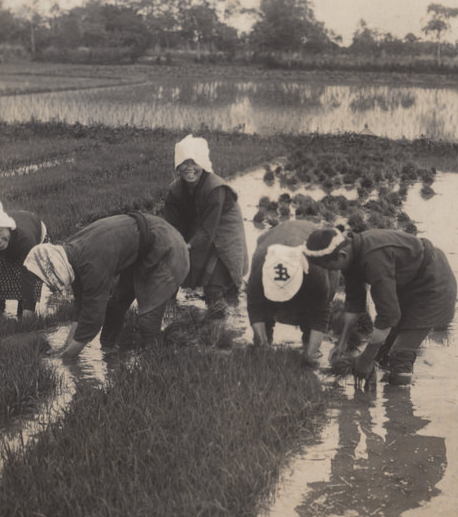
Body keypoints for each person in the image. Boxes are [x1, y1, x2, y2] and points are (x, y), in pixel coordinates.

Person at [303, 227, 457, 389]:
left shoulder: (374, 259)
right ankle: (382, 393)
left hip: (435, 283)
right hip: (408, 282)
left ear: (342, 255)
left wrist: (366, 359)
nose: (334, 272)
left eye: (333, 267)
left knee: (400, 355)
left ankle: (399, 406)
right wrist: (342, 342)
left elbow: (388, 316)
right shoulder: (351, 254)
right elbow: (355, 304)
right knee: (383, 352)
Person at [24, 212, 190, 360]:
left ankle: (155, 365)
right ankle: (108, 350)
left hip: (166, 246)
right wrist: (65, 345)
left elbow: (92, 319)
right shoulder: (70, 254)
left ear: (56, 270)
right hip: (140, 248)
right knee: (116, 305)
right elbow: (81, 305)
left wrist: (66, 357)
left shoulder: (92, 265)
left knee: (148, 320)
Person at [163, 134, 247, 318]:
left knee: (216, 286)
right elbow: (172, 223)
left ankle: (221, 322)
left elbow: (209, 229)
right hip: (198, 228)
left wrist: (186, 246)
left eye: (194, 163)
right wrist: (174, 243)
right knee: (173, 268)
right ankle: (169, 313)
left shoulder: (215, 189)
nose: (189, 169)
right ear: (178, 166)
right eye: (184, 163)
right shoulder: (175, 190)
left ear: (203, 164)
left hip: (224, 231)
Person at [245, 220, 340, 365]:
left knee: (311, 322)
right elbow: (254, 307)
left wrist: (309, 356)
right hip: (276, 236)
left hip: (309, 242)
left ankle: (308, 340)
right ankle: (266, 338)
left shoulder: (316, 270)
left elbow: (321, 315)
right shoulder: (260, 269)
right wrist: (262, 343)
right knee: (264, 323)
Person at [0, 197, 48, 319]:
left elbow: (29, 277)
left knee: (24, 311)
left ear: (7, 226)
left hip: (33, 239)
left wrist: (27, 318)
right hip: (9, 245)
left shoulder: (25, 240)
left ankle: (23, 315)